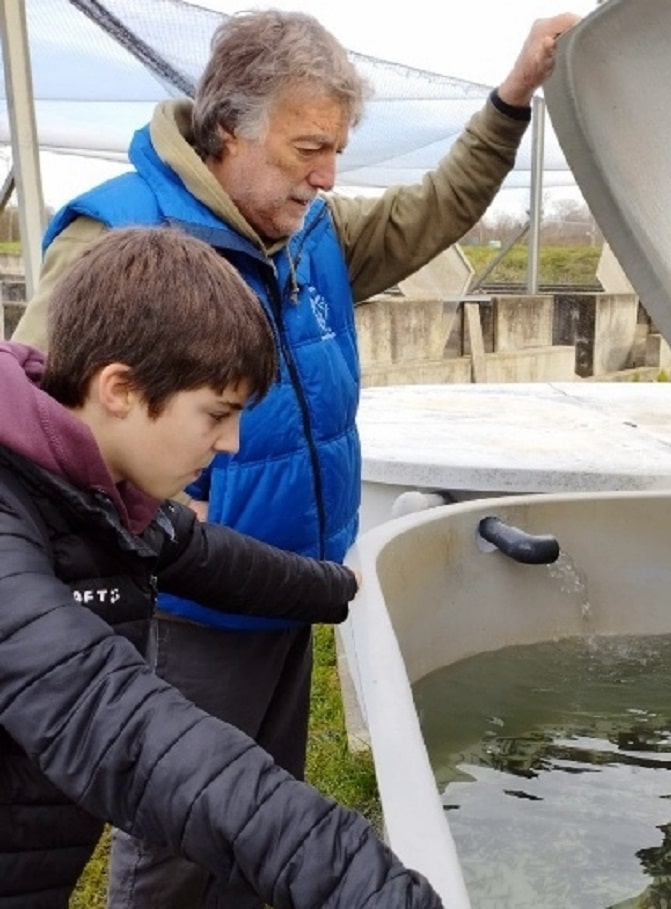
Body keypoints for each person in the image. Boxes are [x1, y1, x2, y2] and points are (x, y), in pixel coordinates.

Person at [12, 8, 581, 907]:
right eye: (308, 148)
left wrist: (509, 103)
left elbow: (432, 209)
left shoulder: (310, 231)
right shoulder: (119, 238)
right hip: (184, 608)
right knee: (181, 820)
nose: (327, 176)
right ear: (227, 130)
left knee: (257, 816)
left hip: (280, 586)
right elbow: (40, 425)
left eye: (338, 151)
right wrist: (145, 515)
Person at [0, 226, 443, 908]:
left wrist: (346, 588)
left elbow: (205, 555)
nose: (231, 442)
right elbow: (111, 718)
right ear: (118, 388)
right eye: (217, 413)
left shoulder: (96, 490)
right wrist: (365, 884)